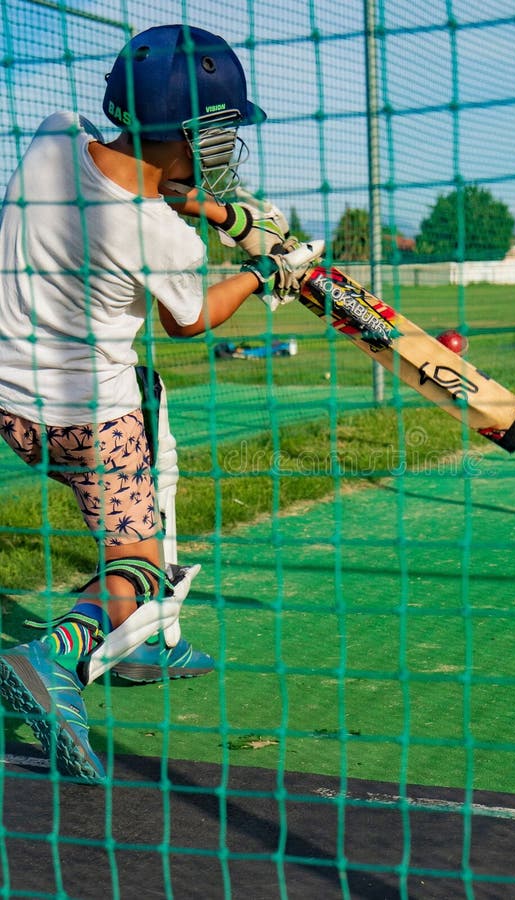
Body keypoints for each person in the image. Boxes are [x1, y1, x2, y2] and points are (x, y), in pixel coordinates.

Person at [0, 24, 322, 783]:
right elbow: (192, 316)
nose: (228, 142)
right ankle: (54, 660)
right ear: (191, 133)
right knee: (139, 564)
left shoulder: (53, 138)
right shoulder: (161, 241)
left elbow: (139, 185)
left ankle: (151, 642)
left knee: (157, 416)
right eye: (221, 127)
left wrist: (219, 213)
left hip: (9, 395)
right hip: (88, 421)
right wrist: (270, 269)